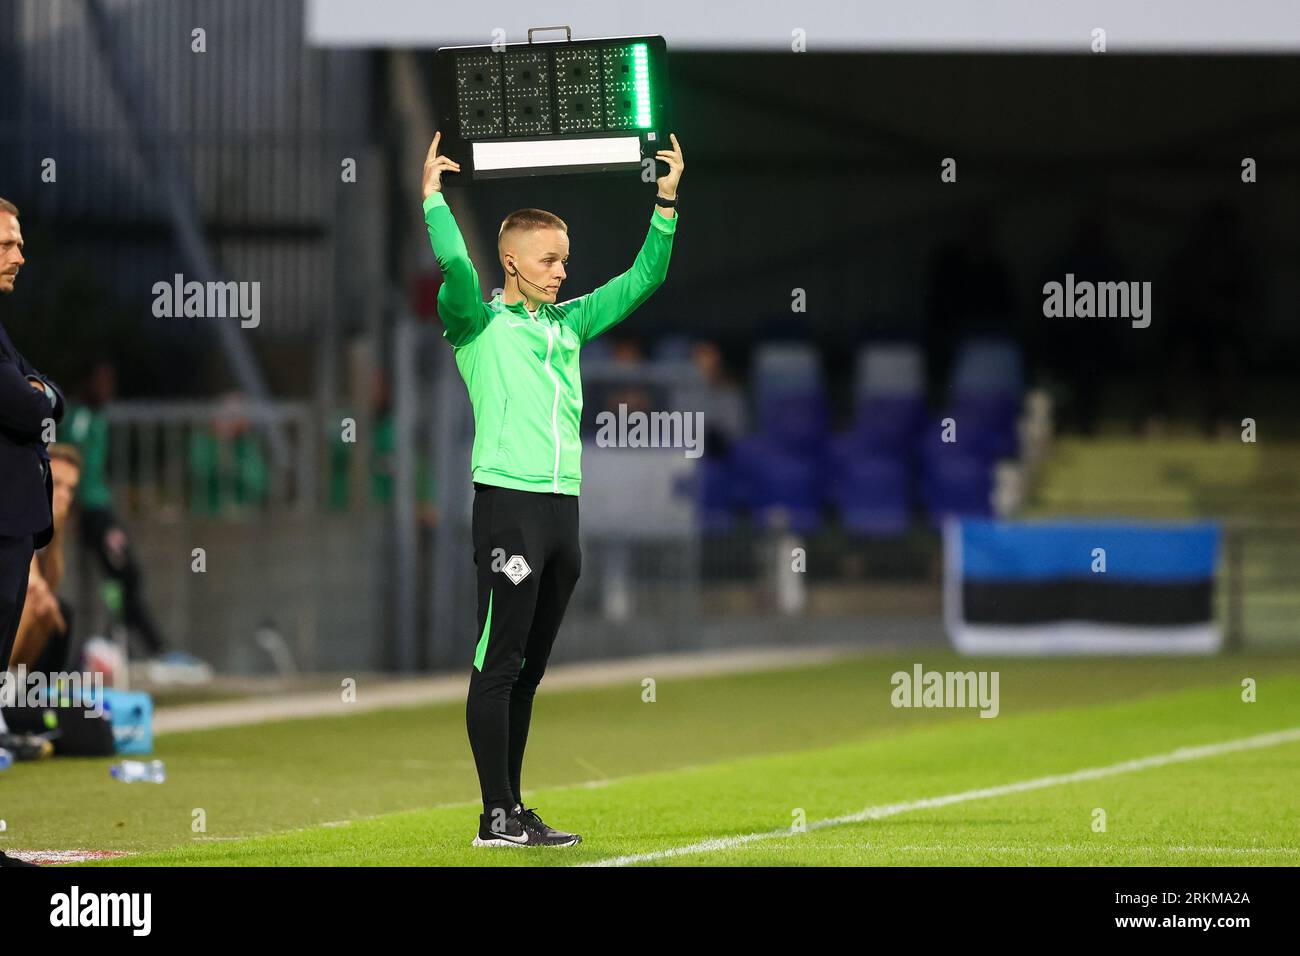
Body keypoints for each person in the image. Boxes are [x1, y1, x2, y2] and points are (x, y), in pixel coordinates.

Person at [422, 130, 684, 846]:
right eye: (548, 259)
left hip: (563, 516)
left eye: (564, 260)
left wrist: (665, 200)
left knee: (529, 670)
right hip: (507, 509)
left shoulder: (568, 325)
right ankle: (495, 816)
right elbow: (452, 267)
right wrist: (433, 201)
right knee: (497, 661)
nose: (561, 272)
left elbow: (643, 281)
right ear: (510, 261)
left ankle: (511, 807)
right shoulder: (477, 325)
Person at [63, 359, 212, 683]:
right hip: (94, 513)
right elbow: (69, 457)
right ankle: (131, 646)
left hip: (101, 509)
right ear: (88, 382)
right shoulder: (81, 417)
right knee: (124, 573)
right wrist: (71, 505)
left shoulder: (97, 417)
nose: (107, 389)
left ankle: (121, 641)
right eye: (102, 381)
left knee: (122, 578)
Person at [0, 196, 64, 868]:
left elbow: (43, 399)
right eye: (7, 244)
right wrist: (36, 390)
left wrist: (38, 391)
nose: (20, 255)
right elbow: (29, 403)